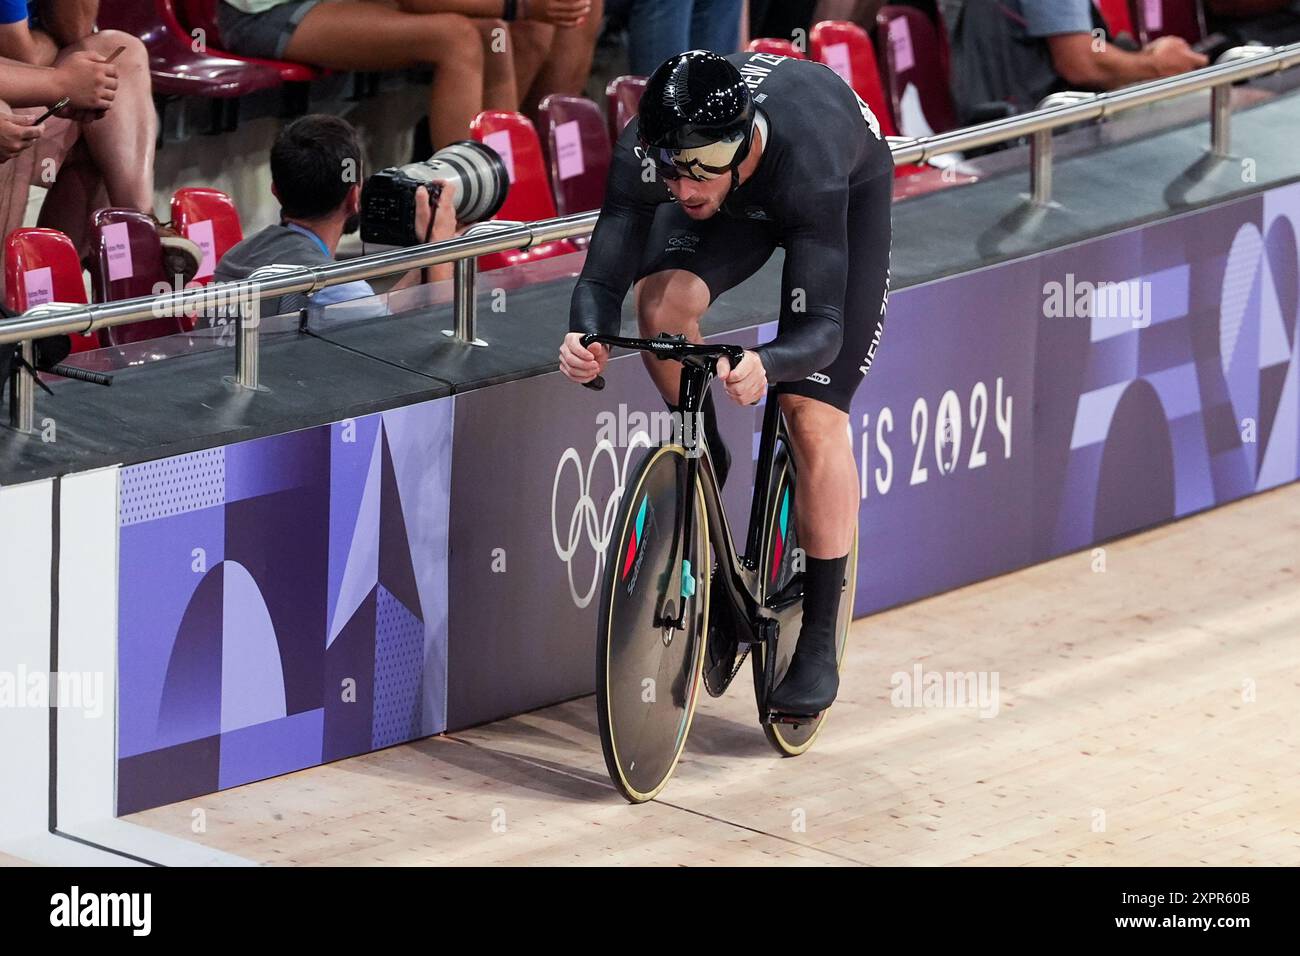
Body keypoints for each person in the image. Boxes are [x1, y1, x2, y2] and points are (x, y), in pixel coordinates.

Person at [558, 50, 892, 715]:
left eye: (703, 168)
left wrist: (770, 363)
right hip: (745, 195)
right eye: (674, 171)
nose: (684, 190)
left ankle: (820, 636)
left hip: (839, 191)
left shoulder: (810, 162)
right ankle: (704, 448)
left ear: (742, 145)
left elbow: (821, 324)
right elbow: (603, 276)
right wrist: (585, 333)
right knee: (659, 308)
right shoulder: (663, 154)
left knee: (810, 415)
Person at [0, 0, 202, 280]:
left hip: (26, 81)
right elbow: (20, 53)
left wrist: (70, 80)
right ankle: (6, 289)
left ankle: (137, 228)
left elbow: (75, 31)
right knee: (8, 113)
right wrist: (62, 81)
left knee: (116, 60)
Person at [216, 0, 591, 150]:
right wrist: (521, 4)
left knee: (494, 33)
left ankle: (505, 198)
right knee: (455, 38)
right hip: (264, 12)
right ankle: (458, 220)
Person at [215, 114, 460, 317]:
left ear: (276, 192)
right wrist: (443, 246)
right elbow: (439, 339)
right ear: (354, 198)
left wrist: (430, 254)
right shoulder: (331, 286)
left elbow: (374, 311)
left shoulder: (235, 258)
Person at [952, 0, 1208, 120]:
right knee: (1219, 103)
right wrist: (1155, 65)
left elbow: (1090, 50)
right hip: (1045, 125)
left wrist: (1142, 59)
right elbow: (1080, 64)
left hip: (1037, 115)